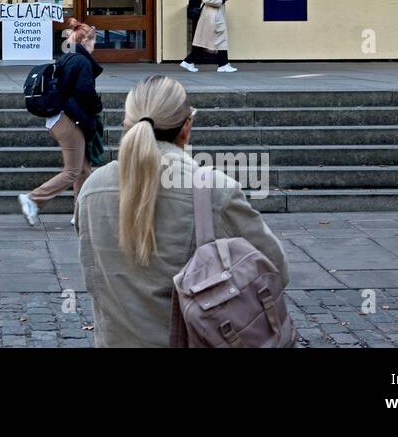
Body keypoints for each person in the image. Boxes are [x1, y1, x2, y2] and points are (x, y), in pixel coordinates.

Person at [75, 75, 288, 347]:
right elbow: (275, 269)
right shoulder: (214, 191)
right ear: (186, 127)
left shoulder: (92, 188)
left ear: (127, 124)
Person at [17, 18, 106, 227]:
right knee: (73, 171)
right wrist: (97, 105)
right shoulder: (82, 62)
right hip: (68, 121)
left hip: (59, 119)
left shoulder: (68, 58)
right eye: (93, 42)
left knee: (83, 170)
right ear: (85, 41)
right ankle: (33, 199)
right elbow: (84, 92)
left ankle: (80, 214)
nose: (95, 47)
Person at [181, 0, 236, 73]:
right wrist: (222, 0)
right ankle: (188, 61)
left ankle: (223, 64)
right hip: (212, 16)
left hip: (216, 15)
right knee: (205, 40)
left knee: (219, 40)